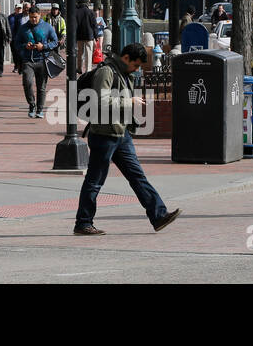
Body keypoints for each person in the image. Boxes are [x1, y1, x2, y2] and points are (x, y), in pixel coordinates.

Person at [74, 42, 181, 235]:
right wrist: (128, 101)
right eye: (136, 65)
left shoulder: (124, 73)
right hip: (104, 134)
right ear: (125, 58)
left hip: (121, 133)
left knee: (137, 176)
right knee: (95, 180)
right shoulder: (106, 72)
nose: (137, 69)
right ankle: (83, 222)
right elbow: (100, 100)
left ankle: (158, 215)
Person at [15, 8, 58, 118]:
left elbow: (55, 42)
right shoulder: (23, 28)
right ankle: (32, 105)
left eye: (35, 17)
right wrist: (25, 46)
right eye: (31, 17)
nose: (33, 19)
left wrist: (43, 46)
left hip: (42, 60)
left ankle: (40, 109)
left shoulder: (47, 27)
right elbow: (16, 43)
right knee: (27, 83)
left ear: (40, 15)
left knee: (41, 87)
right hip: (28, 60)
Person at [73, 0, 98, 74]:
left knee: (80, 53)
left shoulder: (76, 12)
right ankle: (88, 70)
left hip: (79, 35)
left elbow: (74, 25)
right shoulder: (90, 12)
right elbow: (94, 25)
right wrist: (96, 36)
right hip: (89, 35)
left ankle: (79, 68)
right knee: (88, 53)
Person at [7, 4, 29, 74]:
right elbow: (14, 28)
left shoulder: (32, 16)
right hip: (18, 38)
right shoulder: (16, 17)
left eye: (28, 8)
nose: (26, 9)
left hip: (28, 38)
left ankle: (24, 67)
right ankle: (19, 67)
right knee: (18, 53)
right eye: (25, 8)